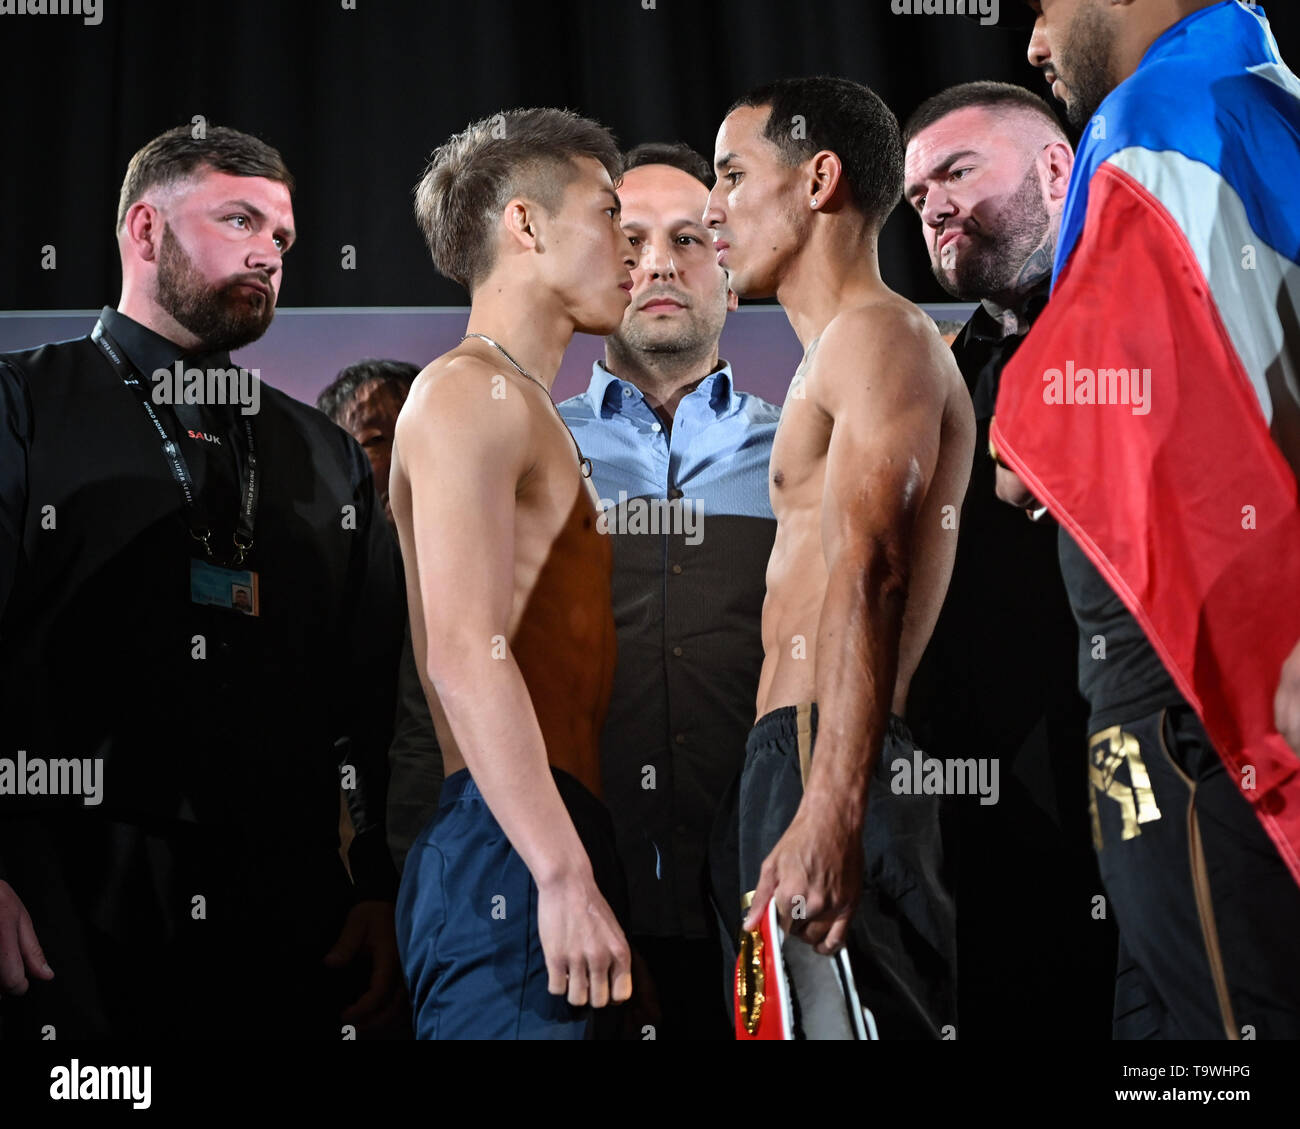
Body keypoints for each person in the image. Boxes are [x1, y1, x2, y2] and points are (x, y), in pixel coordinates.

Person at [0, 125, 405, 1039]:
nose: (270, 250)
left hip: (291, 914)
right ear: (145, 231)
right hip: (64, 897)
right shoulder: (20, 404)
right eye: (239, 220)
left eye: (284, 239)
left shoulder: (325, 452)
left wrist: (378, 881)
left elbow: (372, 691)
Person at [991, 0, 1300, 1038]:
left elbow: (1082, 413)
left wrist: (1023, 423)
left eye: (1041, 6)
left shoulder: (1153, 118)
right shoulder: (1264, 106)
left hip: (1196, 704)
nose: (1032, 44)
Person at [705, 76, 974, 1038]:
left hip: (831, 753)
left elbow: (874, 570)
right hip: (793, 755)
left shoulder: (882, 334)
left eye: (733, 175)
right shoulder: (832, 355)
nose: (713, 208)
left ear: (819, 179)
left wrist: (832, 804)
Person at [392, 107, 638, 1039]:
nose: (634, 248)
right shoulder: (463, 391)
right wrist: (561, 873)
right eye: (610, 213)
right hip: (509, 844)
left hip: (548, 832)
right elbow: (463, 651)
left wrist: (583, 867)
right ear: (525, 224)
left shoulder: (525, 405)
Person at [901, 80, 1116, 1039]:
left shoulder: (1155, 318)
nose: (934, 204)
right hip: (983, 830)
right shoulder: (938, 376)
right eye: (916, 197)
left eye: (957, 170)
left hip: (1158, 783)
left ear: (1056, 166)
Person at [558, 142, 779, 1039]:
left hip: (765, 910)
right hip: (578, 919)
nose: (656, 262)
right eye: (630, 235)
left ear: (732, 266)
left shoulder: (806, 443)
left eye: (690, 236)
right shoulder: (530, 445)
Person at [318, 360, 442, 872]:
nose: (404, 454)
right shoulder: (320, 578)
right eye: (376, 439)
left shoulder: (487, 562)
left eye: (417, 429)